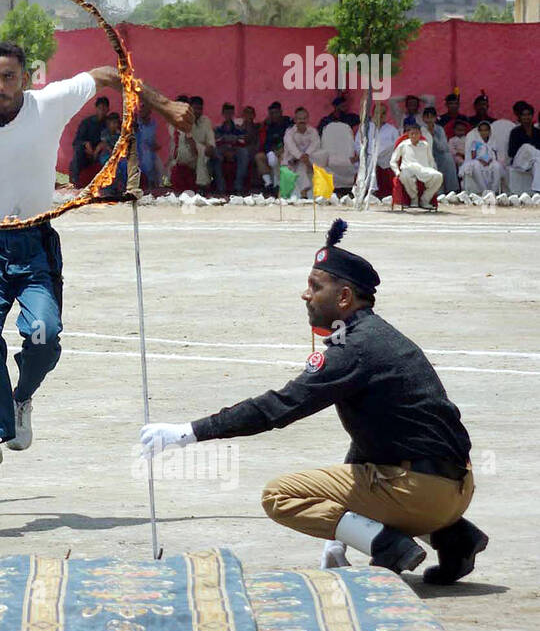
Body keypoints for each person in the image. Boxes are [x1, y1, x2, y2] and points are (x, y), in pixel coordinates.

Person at [0, 41, 192, 479]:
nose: (1, 86)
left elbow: (110, 74)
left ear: (25, 78)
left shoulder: (50, 102)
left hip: (35, 245)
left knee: (45, 335)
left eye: (10, 77)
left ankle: (21, 397)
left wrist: (165, 105)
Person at [140, 220, 485, 584]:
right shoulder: (380, 337)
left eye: (315, 286)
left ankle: (389, 545)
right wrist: (342, 536)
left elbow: (278, 408)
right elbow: (370, 442)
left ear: (344, 298)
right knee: (375, 471)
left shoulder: (353, 348)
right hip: (456, 491)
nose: (305, 295)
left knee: (280, 496)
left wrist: (188, 433)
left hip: (418, 493)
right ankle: (455, 538)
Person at [391, 118, 443, 209]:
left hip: (423, 169)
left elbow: (431, 160)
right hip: (408, 169)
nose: (414, 136)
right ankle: (414, 198)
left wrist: (432, 169)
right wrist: (397, 172)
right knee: (404, 176)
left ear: (420, 134)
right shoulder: (403, 144)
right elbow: (393, 161)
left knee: (439, 176)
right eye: (412, 134)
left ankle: (425, 199)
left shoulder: (425, 145)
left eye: (416, 133)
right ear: (409, 135)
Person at [172, 95, 216, 193]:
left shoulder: (206, 121)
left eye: (200, 108)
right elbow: (188, 141)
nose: (197, 111)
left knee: (206, 153)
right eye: (195, 108)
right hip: (185, 153)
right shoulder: (183, 120)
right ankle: (201, 184)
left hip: (202, 154)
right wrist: (200, 148)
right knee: (198, 151)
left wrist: (205, 148)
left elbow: (211, 144)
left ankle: (204, 185)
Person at [354, 100, 398, 197]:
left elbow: (396, 147)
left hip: (385, 159)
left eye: (383, 113)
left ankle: (373, 190)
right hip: (368, 157)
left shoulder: (392, 129)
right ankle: (372, 189)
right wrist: (364, 153)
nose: (380, 115)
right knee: (370, 158)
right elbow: (357, 144)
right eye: (378, 113)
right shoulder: (365, 127)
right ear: (373, 113)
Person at [69, 96, 111, 186]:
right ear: (96, 108)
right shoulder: (87, 123)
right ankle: (75, 183)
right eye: (100, 108)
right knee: (78, 150)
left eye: (104, 109)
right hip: (87, 154)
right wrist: (86, 144)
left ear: (108, 109)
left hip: (102, 154)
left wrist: (98, 150)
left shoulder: (110, 123)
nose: (102, 111)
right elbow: (76, 141)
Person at [282, 107, 321, 198]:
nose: (302, 121)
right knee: (301, 165)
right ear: (295, 120)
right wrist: (300, 156)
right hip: (293, 159)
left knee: (304, 164)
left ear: (307, 119)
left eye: (304, 118)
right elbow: (291, 147)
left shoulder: (313, 131)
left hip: (309, 159)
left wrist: (306, 155)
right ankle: (304, 191)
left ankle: (304, 191)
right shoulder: (289, 132)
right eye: (299, 119)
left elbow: (316, 144)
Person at [213, 102, 250, 195]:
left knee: (244, 153)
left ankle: (238, 185)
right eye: (226, 113)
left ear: (233, 113)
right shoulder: (218, 129)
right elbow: (216, 141)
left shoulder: (238, 128)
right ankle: (221, 186)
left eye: (230, 113)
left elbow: (242, 141)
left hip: (236, 149)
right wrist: (226, 145)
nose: (228, 115)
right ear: (223, 114)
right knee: (215, 154)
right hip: (222, 149)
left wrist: (233, 146)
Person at [419, 106, 458, 194]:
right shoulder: (420, 129)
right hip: (424, 157)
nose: (429, 120)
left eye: (431, 117)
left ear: (435, 118)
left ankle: (451, 190)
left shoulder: (439, 130)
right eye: (427, 117)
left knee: (448, 158)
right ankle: (437, 192)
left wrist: (433, 135)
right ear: (423, 118)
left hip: (439, 156)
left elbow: (444, 148)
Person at [460, 121, 505, 194]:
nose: (484, 132)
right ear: (479, 131)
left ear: (489, 131)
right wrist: (481, 160)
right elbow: (473, 156)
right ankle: (484, 190)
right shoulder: (475, 142)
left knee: (497, 166)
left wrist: (490, 160)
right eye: (482, 130)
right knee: (476, 166)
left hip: (490, 161)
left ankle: (493, 191)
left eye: (486, 130)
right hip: (478, 161)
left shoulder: (493, 141)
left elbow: (495, 154)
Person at [507, 101, 540, 193]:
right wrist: (527, 153)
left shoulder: (537, 132)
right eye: (524, 115)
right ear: (520, 117)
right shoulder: (515, 132)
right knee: (527, 147)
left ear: (532, 116)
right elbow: (511, 152)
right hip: (519, 162)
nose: (526, 117)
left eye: (529, 114)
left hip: (533, 161)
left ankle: (537, 190)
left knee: (537, 162)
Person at [240, 105, 273, 193]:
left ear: (254, 115)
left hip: (256, 151)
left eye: (251, 113)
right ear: (243, 115)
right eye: (246, 113)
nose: (249, 116)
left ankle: (266, 185)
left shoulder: (257, 126)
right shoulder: (238, 127)